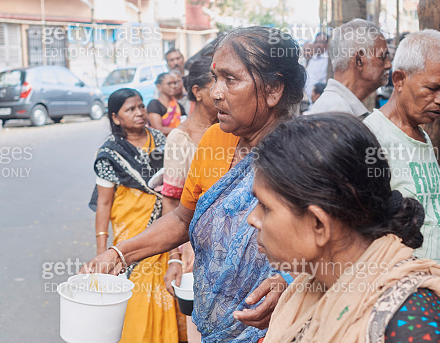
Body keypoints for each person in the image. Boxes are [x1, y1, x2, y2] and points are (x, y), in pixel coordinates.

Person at [81, 26, 306, 342]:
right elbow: (183, 218)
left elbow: (338, 251)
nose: (215, 92)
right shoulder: (216, 139)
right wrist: (120, 253)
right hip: (212, 327)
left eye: (230, 79)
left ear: (272, 89)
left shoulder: (308, 155)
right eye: (215, 78)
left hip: (278, 329)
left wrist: (288, 282)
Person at [248, 113, 440, 342]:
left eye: (265, 206)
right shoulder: (310, 287)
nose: (252, 218)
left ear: (319, 224)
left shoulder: (414, 324)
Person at [89, 88, 181, 342]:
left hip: (166, 225)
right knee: (139, 293)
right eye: (130, 109)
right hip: (132, 232)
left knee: (167, 287)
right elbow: (104, 204)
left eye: (141, 106)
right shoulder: (110, 154)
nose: (140, 113)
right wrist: (101, 250)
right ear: (116, 117)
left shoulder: (161, 141)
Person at [364, 29, 440, 264]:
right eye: (433, 88)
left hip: (429, 288)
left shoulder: (421, 134)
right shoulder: (372, 137)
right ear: (399, 80)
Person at [162, 57, 219, 343]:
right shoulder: (180, 139)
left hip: (228, 248)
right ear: (197, 91)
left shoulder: (231, 131)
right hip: (193, 248)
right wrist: (175, 255)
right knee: (199, 326)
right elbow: (171, 204)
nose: (222, 91)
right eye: (215, 83)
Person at [311, 19, 392, 117]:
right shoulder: (337, 113)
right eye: (382, 57)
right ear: (359, 60)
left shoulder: (340, 107)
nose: (388, 65)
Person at [147, 72, 187, 136]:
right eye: (169, 83)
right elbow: (158, 129)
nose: (174, 86)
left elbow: (185, 124)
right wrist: (180, 130)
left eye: (174, 83)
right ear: (159, 87)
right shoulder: (154, 104)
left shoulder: (178, 106)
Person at [305, 33, 328, 104]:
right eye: (316, 42)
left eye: (321, 42)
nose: (318, 45)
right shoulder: (312, 60)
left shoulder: (328, 60)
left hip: (321, 102)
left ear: (326, 44)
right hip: (309, 103)